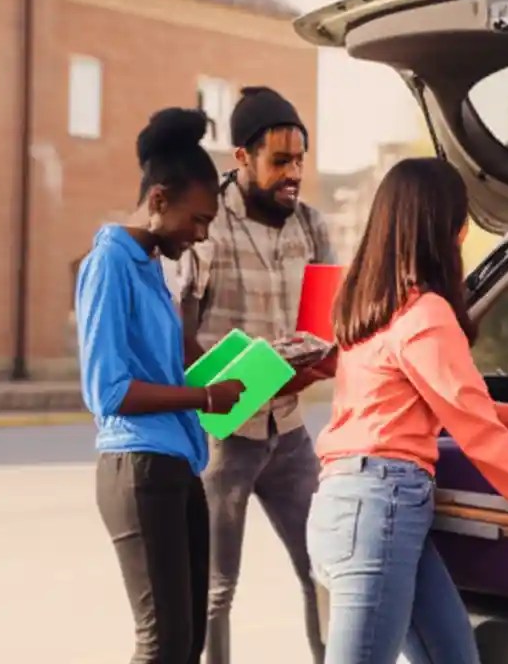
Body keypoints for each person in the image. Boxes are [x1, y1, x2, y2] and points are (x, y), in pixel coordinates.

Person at [307, 157, 508, 664]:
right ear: (449, 230)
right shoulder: (425, 313)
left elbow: (441, 403)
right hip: (381, 508)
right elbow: (474, 428)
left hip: (356, 503)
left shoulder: (371, 309)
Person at [76, 107, 247, 664]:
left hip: (177, 462)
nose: (200, 237)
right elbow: (109, 391)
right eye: (196, 221)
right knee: (164, 645)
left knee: (187, 641)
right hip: (138, 467)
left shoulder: (153, 265)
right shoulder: (109, 262)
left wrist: (255, 368)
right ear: (158, 200)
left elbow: (171, 364)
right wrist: (203, 398)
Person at [171, 86, 332, 663]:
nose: (294, 174)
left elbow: (323, 326)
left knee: (325, 571)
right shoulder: (206, 226)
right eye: (280, 161)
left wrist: (314, 367)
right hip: (223, 437)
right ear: (242, 158)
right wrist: (230, 386)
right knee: (215, 590)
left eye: (300, 161)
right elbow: (180, 335)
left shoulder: (311, 226)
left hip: (289, 434)